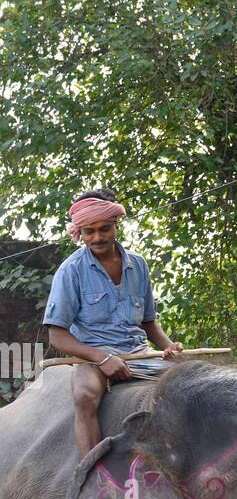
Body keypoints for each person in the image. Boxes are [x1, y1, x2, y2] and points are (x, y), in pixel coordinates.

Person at [43, 189, 184, 457]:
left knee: (190, 385)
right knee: (84, 397)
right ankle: (90, 474)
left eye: (104, 229)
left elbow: (149, 324)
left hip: (140, 354)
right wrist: (102, 358)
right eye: (89, 231)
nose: (97, 237)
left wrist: (168, 347)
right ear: (79, 233)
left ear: (115, 226)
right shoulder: (70, 270)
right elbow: (57, 336)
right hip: (93, 358)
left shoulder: (138, 265)